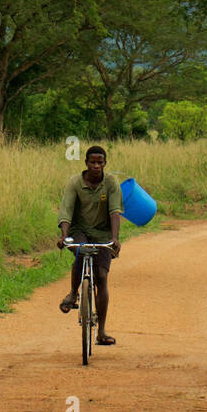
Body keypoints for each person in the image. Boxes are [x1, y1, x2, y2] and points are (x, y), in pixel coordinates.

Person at [56, 144, 122, 345]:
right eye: (92, 162)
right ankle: (73, 293)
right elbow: (66, 209)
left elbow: (115, 211)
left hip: (102, 233)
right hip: (80, 230)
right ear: (86, 163)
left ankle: (101, 332)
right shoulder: (75, 182)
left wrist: (114, 239)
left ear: (105, 164)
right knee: (80, 254)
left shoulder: (111, 182)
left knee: (101, 277)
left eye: (99, 163)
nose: (96, 166)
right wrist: (64, 235)